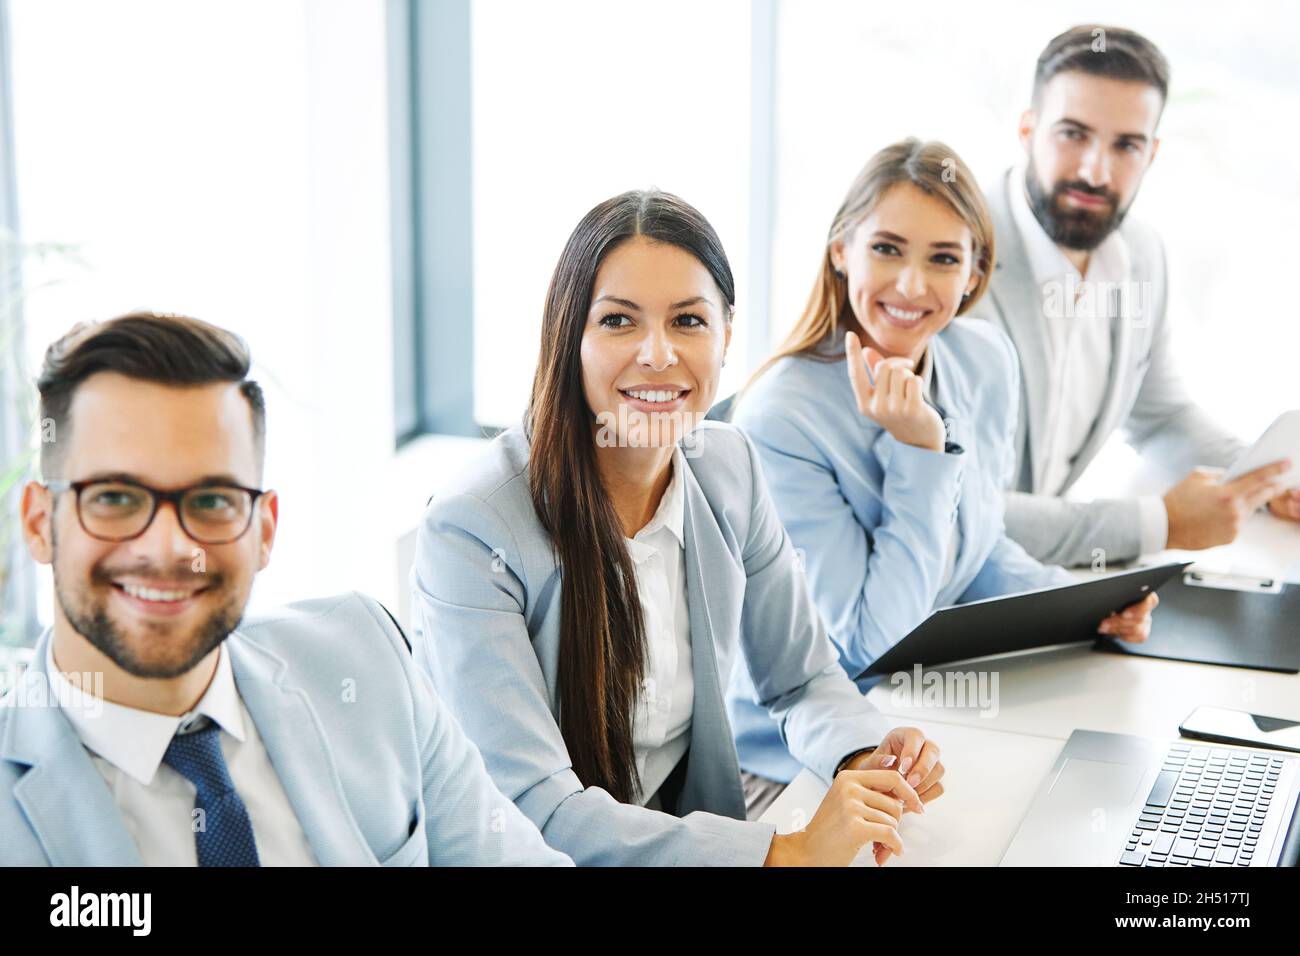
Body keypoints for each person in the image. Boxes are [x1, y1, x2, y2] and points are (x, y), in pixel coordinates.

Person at [411, 190, 942, 866]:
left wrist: (864, 754)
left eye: (688, 321)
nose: (658, 355)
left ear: (725, 336)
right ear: (568, 337)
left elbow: (800, 679)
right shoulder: (472, 527)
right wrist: (784, 854)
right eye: (619, 322)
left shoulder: (729, 466)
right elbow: (536, 812)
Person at [2, 312, 570, 866]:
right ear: (38, 522)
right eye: (116, 498)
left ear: (264, 529)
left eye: (212, 501)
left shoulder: (366, 662)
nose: (168, 548)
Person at [727, 140, 1158, 786]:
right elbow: (876, 642)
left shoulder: (983, 360)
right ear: (842, 251)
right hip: (809, 758)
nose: (911, 285)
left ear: (975, 273)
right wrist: (920, 453)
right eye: (887, 248)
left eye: (943, 259)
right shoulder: (779, 417)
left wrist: (1079, 607)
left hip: (932, 716)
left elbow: (976, 552)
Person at [971, 24, 1298, 568]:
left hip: (1038, 580)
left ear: (1151, 154)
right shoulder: (951, 261)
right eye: (1072, 134)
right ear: (1027, 130)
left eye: (1126, 145)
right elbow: (963, 513)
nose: (1095, 171)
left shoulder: (1140, 255)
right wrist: (1158, 523)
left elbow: (1162, 418)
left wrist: (1264, 483)